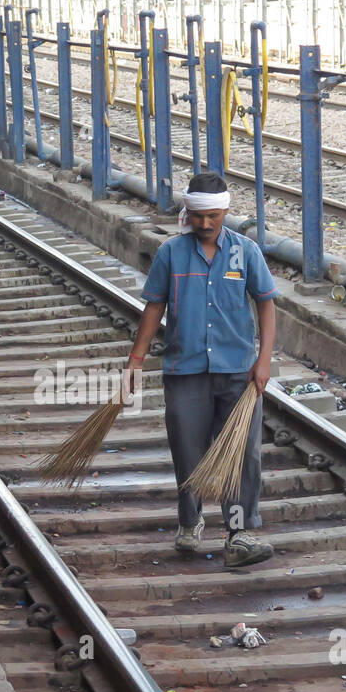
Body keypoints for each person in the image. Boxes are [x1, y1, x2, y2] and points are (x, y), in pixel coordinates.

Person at [125, 173, 280, 569]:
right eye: (197, 216)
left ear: (226, 211)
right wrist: (136, 361)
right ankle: (190, 521)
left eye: (213, 216)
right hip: (185, 368)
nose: (206, 224)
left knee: (241, 455)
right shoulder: (171, 254)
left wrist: (263, 360)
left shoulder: (246, 252)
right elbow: (154, 307)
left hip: (237, 371)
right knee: (187, 449)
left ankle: (238, 533)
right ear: (187, 214)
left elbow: (266, 304)